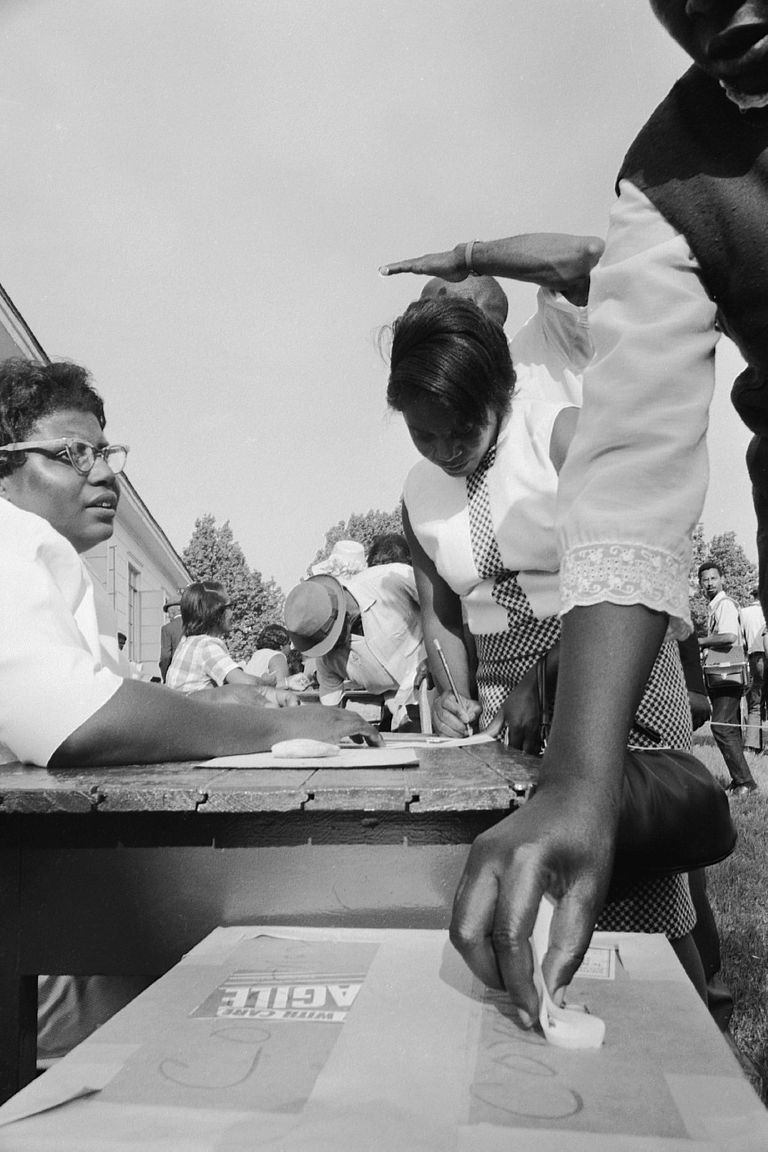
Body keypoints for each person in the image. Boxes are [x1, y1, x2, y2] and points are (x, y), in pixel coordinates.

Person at [420, 1, 768, 1024]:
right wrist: (576, 777)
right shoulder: (675, 174)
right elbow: (634, 462)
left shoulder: (553, 357)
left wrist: (473, 245)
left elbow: (583, 274)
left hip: (616, 647)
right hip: (589, 645)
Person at [386, 293, 704, 992]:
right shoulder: (416, 495)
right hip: (512, 714)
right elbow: (441, 612)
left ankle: (689, 1027)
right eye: (422, 435)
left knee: (636, 872)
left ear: (500, 389)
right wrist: (454, 697)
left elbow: (643, 537)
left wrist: (552, 672)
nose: (444, 451)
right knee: (536, 876)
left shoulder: (557, 432)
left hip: (614, 677)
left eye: (459, 429)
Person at [0, 357, 379, 768]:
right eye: (75, 453)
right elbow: (76, 719)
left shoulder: (54, 561)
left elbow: (96, 700)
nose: (106, 473)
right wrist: (282, 728)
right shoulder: (11, 537)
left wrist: (207, 701)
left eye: (104, 453)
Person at [284, 565, 427, 731]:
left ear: (342, 616)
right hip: (396, 706)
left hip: (439, 686)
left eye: (333, 640)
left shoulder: (391, 580)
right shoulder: (326, 660)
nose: (333, 650)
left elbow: (445, 608)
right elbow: (331, 713)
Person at [697, 562, 756, 792]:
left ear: (722, 579)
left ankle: (746, 782)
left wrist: (700, 641)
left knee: (721, 727)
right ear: (700, 583)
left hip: (727, 675)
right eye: (705, 580)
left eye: (713, 578)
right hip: (723, 675)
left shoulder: (724, 604)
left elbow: (729, 636)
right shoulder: (715, 606)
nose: (709, 583)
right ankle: (740, 780)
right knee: (728, 727)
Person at [166, 581, 281, 693]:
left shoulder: (187, 642)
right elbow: (245, 684)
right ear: (215, 611)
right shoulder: (206, 645)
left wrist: (285, 683)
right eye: (230, 606)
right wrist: (268, 683)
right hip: (196, 711)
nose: (232, 613)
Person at [245, 622, 310, 690]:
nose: (290, 648)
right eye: (289, 643)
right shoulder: (278, 656)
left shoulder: (257, 654)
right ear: (281, 646)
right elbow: (281, 689)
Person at [740, 585, 766, 751]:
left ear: (753, 596)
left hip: (755, 657)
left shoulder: (744, 612)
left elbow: (742, 640)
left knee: (755, 703)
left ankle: (752, 744)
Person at [159, 600, 183, 681]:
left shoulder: (167, 628)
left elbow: (165, 656)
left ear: (172, 612)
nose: (169, 617)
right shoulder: (194, 625)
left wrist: (165, 676)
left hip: (175, 674)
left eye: (168, 614)